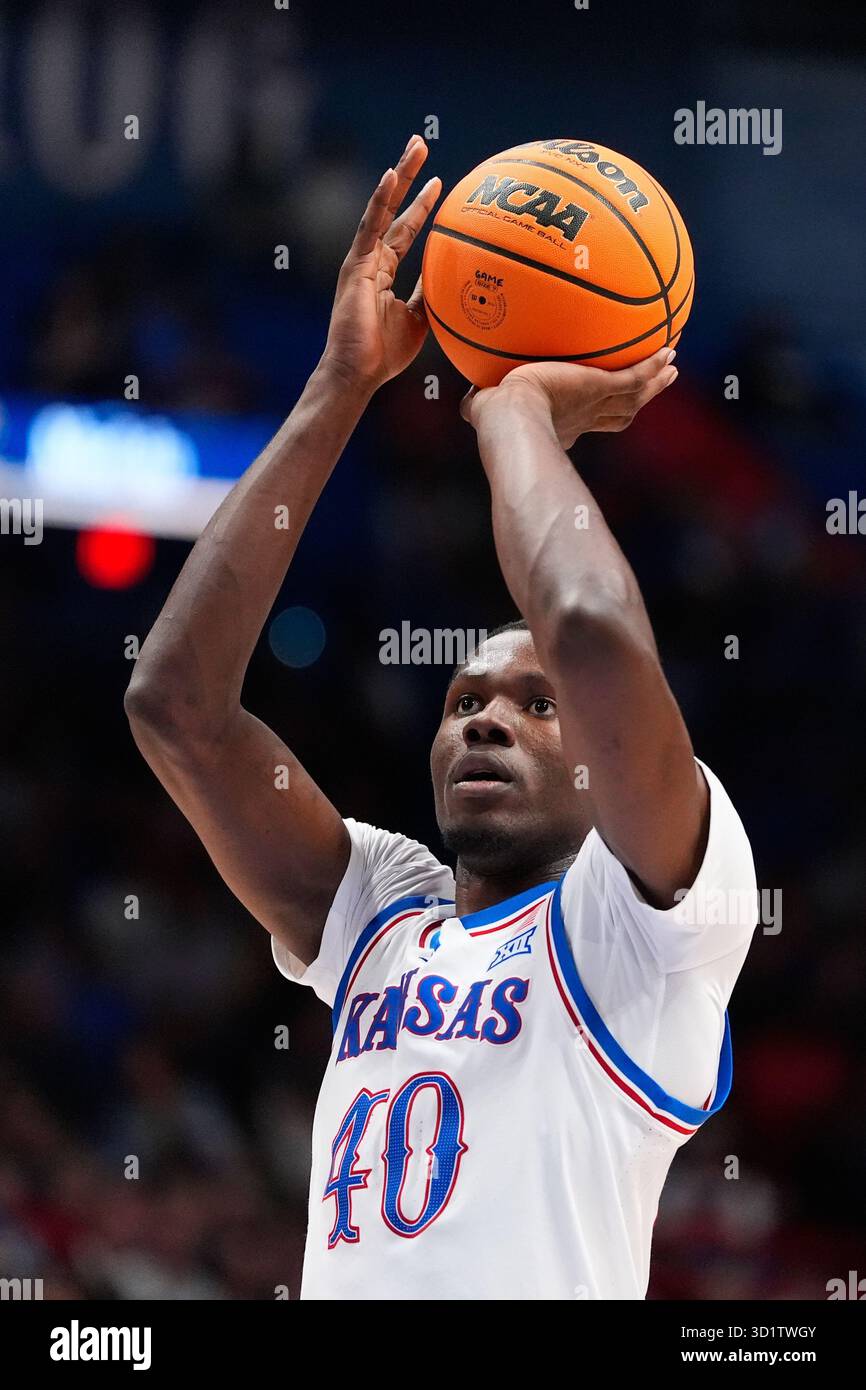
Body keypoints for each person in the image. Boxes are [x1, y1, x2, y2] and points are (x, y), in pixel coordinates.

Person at [125, 134, 758, 1300]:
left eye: (532, 706)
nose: (484, 720)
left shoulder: (650, 926)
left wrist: (509, 406)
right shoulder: (381, 911)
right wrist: (338, 387)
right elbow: (175, 707)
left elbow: (591, 628)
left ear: (606, 760)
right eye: (464, 699)